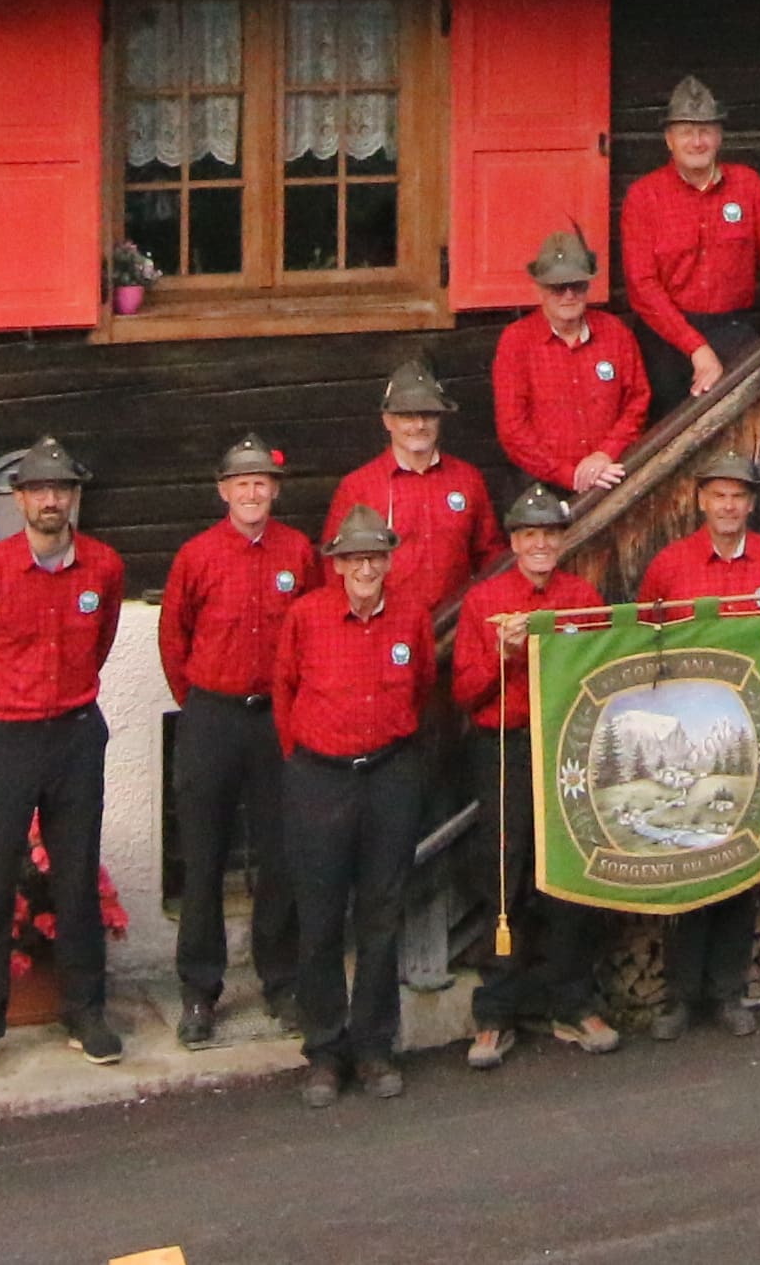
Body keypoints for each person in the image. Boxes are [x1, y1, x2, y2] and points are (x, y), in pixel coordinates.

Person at [0, 436, 128, 1084]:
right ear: (19, 498)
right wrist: (11, 704)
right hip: (3, 738)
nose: (52, 500)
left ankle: (85, 1010)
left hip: (75, 734)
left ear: (76, 498)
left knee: (76, 878)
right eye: (40, 490)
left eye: (63, 490)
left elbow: (99, 643)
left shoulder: (103, 567)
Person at [634, 451, 760, 1038]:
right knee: (685, 865)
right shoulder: (669, 567)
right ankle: (678, 996)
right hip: (686, 735)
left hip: (748, 736)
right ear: (701, 501)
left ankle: (727, 992)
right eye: (718, 495)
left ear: (750, 504)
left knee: (741, 864)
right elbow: (641, 647)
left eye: (738, 497)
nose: (728, 506)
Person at [158, 432, 320, 1048]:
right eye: (241, 483)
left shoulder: (299, 553)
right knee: (204, 858)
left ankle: (282, 981)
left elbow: (311, 633)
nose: (252, 493)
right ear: (223, 491)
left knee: (281, 853)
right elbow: (174, 638)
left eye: (262, 483)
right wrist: (200, 701)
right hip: (213, 718)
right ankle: (200, 991)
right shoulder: (196, 556)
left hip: (277, 719)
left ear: (274, 491)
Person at [456, 484, 623, 1069]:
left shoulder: (582, 596)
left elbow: (604, 673)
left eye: (550, 534)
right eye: (530, 535)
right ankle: (495, 1012)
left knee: (572, 872)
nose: (540, 544)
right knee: (505, 874)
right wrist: (502, 654)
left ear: (562, 539)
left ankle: (572, 1002)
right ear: (513, 541)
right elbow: (465, 692)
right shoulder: (485, 602)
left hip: (568, 747)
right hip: (504, 744)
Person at [275, 506, 432, 1108]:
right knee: (318, 918)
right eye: (355, 558)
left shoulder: (411, 617)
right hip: (320, 780)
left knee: (381, 915)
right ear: (337, 564)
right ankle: (324, 1050)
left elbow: (420, 686)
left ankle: (373, 1047)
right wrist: (305, 761)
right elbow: (285, 691)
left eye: (376, 556)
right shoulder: (306, 618)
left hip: (389, 776)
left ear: (389, 561)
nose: (366, 567)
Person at [621, 76, 760, 412]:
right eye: (686, 131)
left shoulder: (747, 185)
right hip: (666, 340)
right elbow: (642, 286)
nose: (697, 141)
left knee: (742, 431)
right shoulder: (644, 197)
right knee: (667, 440)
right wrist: (696, 348)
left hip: (732, 331)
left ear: (719, 136)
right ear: (669, 139)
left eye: (705, 131)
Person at [324, 359, 507, 619]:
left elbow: (491, 556)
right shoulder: (358, 487)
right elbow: (335, 570)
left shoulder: (468, 480)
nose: (419, 425)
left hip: (457, 626)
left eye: (428, 414)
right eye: (407, 416)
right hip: (387, 628)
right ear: (387, 420)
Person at [494, 226, 653, 499]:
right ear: (539, 289)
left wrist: (605, 453)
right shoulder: (516, 342)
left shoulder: (616, 333)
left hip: (611, 477)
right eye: (558, 287)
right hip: (539, 488)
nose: (569, 295)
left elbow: (638, 400)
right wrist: (568, 474)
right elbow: (513, 428)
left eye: (577, 285)